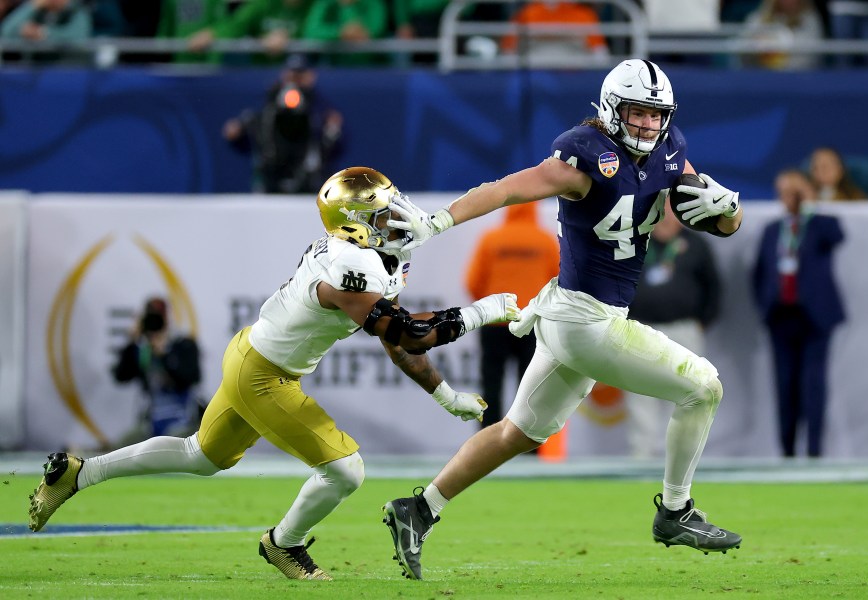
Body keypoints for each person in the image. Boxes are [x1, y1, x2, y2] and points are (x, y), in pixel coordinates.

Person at [27, 166, 522, 582]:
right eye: (384, 213)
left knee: (199, 456)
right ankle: (283, 543)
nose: (399, 216)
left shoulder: (372, 256)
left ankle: (78, 473)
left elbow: (395, 339)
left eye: (395, 204)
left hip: (253, 354)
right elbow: (409, 334)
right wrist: (481, 313)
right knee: (345, 470)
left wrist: (446, 396)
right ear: (356, 224)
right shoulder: (351, 264)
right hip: (263, 374)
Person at [381, 59, 743, 581]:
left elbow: (719, 220)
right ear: (612, 109)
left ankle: (419, 509)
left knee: (517, 432)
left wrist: (730, 208)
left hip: (572, 316)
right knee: (704, 387)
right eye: (637, 112)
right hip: (586, 320)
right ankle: (675, 510)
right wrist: (438, 220)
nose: (646, 124)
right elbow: (507, 188)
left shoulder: (670, 150)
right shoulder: (585, 157)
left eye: (655, 114)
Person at [752, 168, 845, 457]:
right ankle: (787, 451)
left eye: (793, 192)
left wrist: (809, 203)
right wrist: (765, 307)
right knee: (785, 385)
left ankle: (815, 451)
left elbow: (838, 235)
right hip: (781, 317)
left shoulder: (819, 225)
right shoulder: (772, 230)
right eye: (783, 192)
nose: (787, 198)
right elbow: (759, 273)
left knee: (813, 384)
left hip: (815, 316)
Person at [623, 206, 721, 459]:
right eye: (660, 211)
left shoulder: (695, 244)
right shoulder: (636, 241)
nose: (665, 218)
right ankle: (641, 456)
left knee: (688, 392)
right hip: (640, 328)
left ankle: (682, 457)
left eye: (670, 211)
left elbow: (713, 286)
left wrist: (702, 321)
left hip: (684, 329)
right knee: (639, 390)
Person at [464, 203, 559, 429]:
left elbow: (473, 282)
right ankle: (528, 447)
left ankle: (485, 444)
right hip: (531, 324)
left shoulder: (492, 239)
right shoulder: (545, 241)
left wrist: (490, 308)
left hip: (495, 322)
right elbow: (559, 283)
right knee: (531, 390)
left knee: (491, 385)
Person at [222, 54, 343, 194]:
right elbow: (253, 140)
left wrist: (333, 132)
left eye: (300, 77)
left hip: (307, 182)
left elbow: (334, 148)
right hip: (271, 180)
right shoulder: (270, 105)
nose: (295, 83)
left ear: (311, 77)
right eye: (292, 77)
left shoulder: (321, 109)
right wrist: (238, 135)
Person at [112, 296, 203, 443]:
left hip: (182, 419)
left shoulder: (183, 345)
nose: (156, 325)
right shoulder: (142, 350)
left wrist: (164, 356)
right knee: (124, 443)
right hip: (151, 422)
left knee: (171, 444)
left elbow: (192, 378)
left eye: (159, 318)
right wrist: (132, 342)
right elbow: (121, 376)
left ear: (168, 318)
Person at [741, 0, 825, 70]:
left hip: (798, 76)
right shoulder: (759, 18)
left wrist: (781, 58)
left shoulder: (810, 20)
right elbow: (742, 47)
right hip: (760, 75)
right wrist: (756, 45)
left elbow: (811, 55)